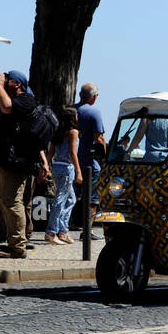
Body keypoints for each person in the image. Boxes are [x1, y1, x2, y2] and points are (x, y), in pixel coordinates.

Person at [0, 69, 43, 259]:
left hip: (14, 163)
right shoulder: (5, 101)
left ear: (17, 84)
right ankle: (11, 242)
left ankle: (18, 246)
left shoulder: (25, 100)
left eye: (7, 79)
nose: (2, 80)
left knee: (13, 202)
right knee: (3, 203)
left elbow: (7, 107)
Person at [46, 106, 83, 244]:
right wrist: (78, 171)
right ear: (73, 118)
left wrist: (46, 167)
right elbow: (73, 153)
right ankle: (51, 231)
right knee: (60, 201)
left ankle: (63, 230)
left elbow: (51, 152)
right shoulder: (73, 132)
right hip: (67, 168)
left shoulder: (58, 132)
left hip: (56, 167)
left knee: (71, 199)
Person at [75, 82, 105, 233]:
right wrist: (106, 157)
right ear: (93, 97)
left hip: (71, 161)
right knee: (92, 198)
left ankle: (64, 229)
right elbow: (99, 138)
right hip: (89, 162)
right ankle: (87, 231)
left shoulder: (71, 110)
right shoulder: (94, 113)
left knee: (71, 196)